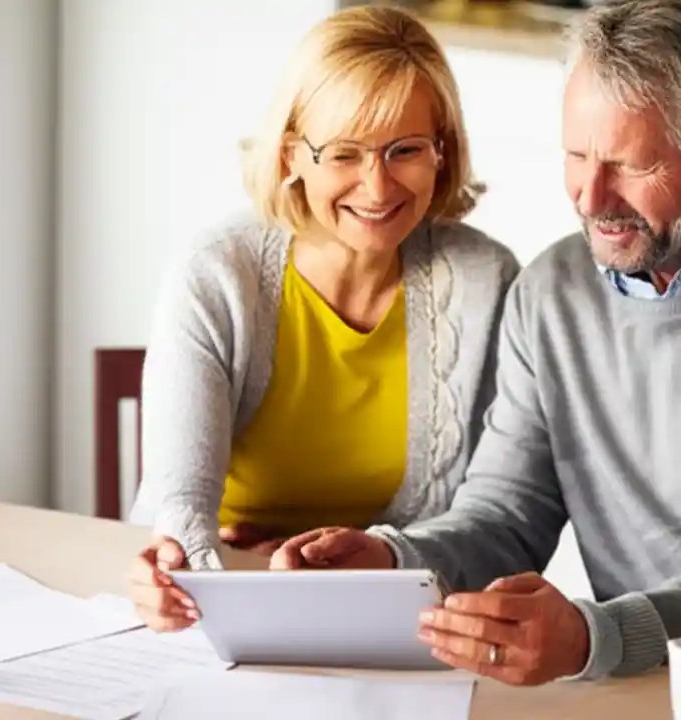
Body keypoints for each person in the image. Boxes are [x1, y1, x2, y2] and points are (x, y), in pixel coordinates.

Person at [270, 0, 681, 686]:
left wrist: (596, 636)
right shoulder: (552, 291)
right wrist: (390, 560)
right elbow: (504, 518)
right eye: (576, 155)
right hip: (658, 675)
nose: (592, 197)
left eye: (631, 165)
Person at [126, 6, 519, 632]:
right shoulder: (214, 275)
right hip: (216, 600)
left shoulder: (487, 282)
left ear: (441, 152)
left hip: (394, 616)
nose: (377, 185)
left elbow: (499, 515)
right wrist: (203, 576)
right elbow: (180, 506)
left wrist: (368, 570)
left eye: (405, 150)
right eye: (343, 153)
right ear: (291, 156)